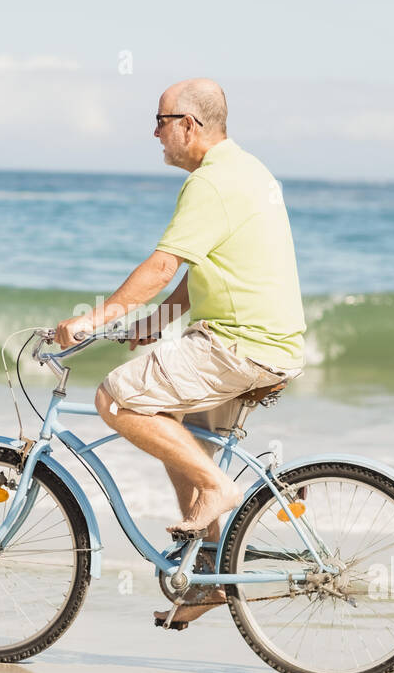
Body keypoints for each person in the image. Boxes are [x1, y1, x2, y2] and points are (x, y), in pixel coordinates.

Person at [53, 78, 307, 628]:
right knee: (178, 433)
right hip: (267, 342)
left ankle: (218, 489)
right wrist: (157, 322)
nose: (155, 132)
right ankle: (213, 569)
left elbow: (164, 265)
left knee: (116, 400)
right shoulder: (248, 171)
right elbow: (201, 273)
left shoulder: (211, 184)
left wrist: (95, 317)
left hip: (239, 344)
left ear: (189, 125)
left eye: (161, 120)